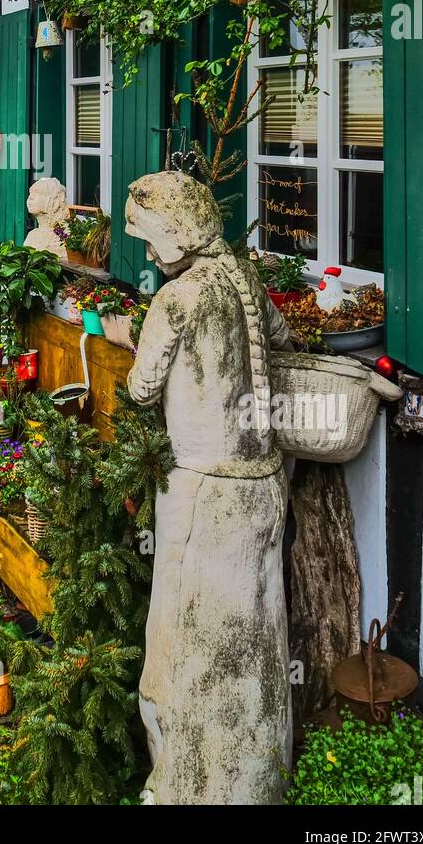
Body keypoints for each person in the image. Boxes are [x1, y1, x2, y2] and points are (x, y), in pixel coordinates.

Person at [124, 170, 293, 805]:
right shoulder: (245, 279)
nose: (144, 251)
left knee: (186, 652)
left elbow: (141, 388)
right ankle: (258, 781)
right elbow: (283, 339)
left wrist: (122, 336)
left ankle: (191, 789)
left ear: (174, 229)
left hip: (203, 492)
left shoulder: (178, 299)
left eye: (147, 236)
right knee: (253, 647)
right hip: (262, 486)